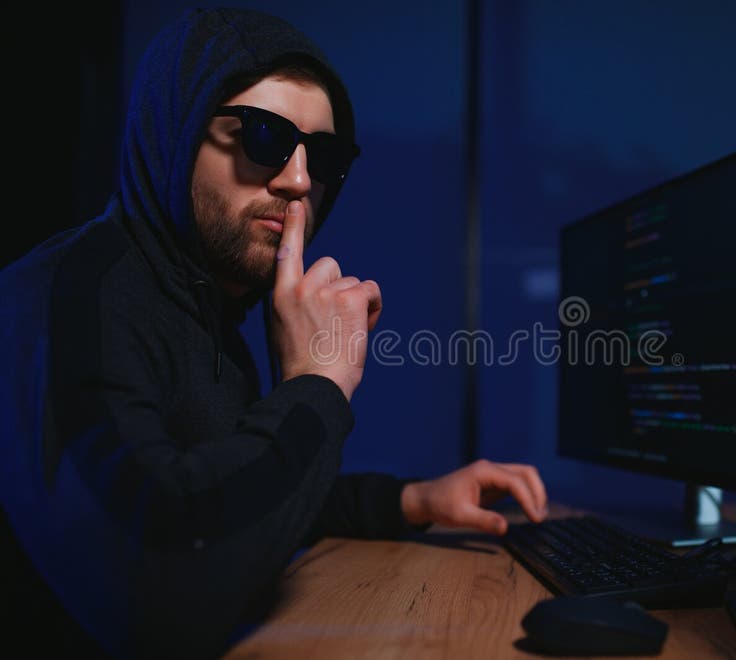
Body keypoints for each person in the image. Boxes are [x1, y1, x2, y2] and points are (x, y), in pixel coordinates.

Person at [0, 7, 547, 659]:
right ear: (175, 129)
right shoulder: (65, 297)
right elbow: (159, 582)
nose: (297, 181)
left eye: (322, 154)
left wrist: (411, 500)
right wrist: (318, 383)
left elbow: (231, 501)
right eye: (263, 136)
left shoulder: (208, 311)